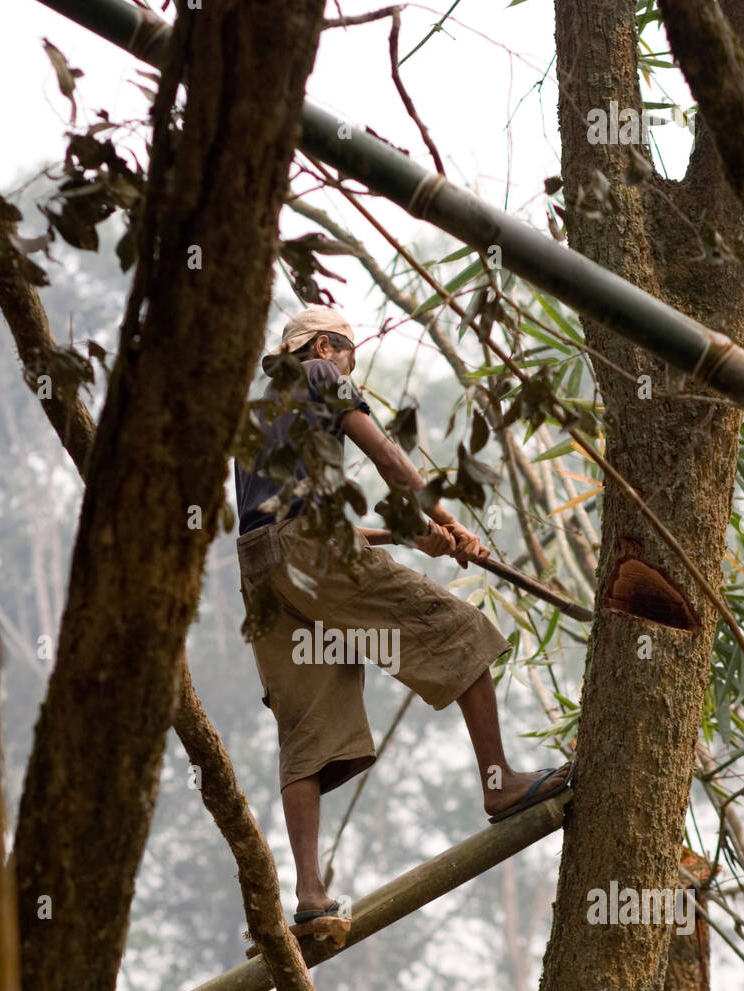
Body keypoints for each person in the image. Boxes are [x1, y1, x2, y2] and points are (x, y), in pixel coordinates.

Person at [234, 306, 572, 935]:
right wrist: (439, 520)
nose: (348, 369)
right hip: (312, 552)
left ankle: (309, 895)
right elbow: (387, 457)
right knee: (460, 630)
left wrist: (405, 536)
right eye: (349, 357)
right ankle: (498, 784)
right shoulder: (318, 373)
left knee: (307, 730)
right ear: (327, 345)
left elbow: (284, 524)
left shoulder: (259, 411)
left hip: (263, 574)